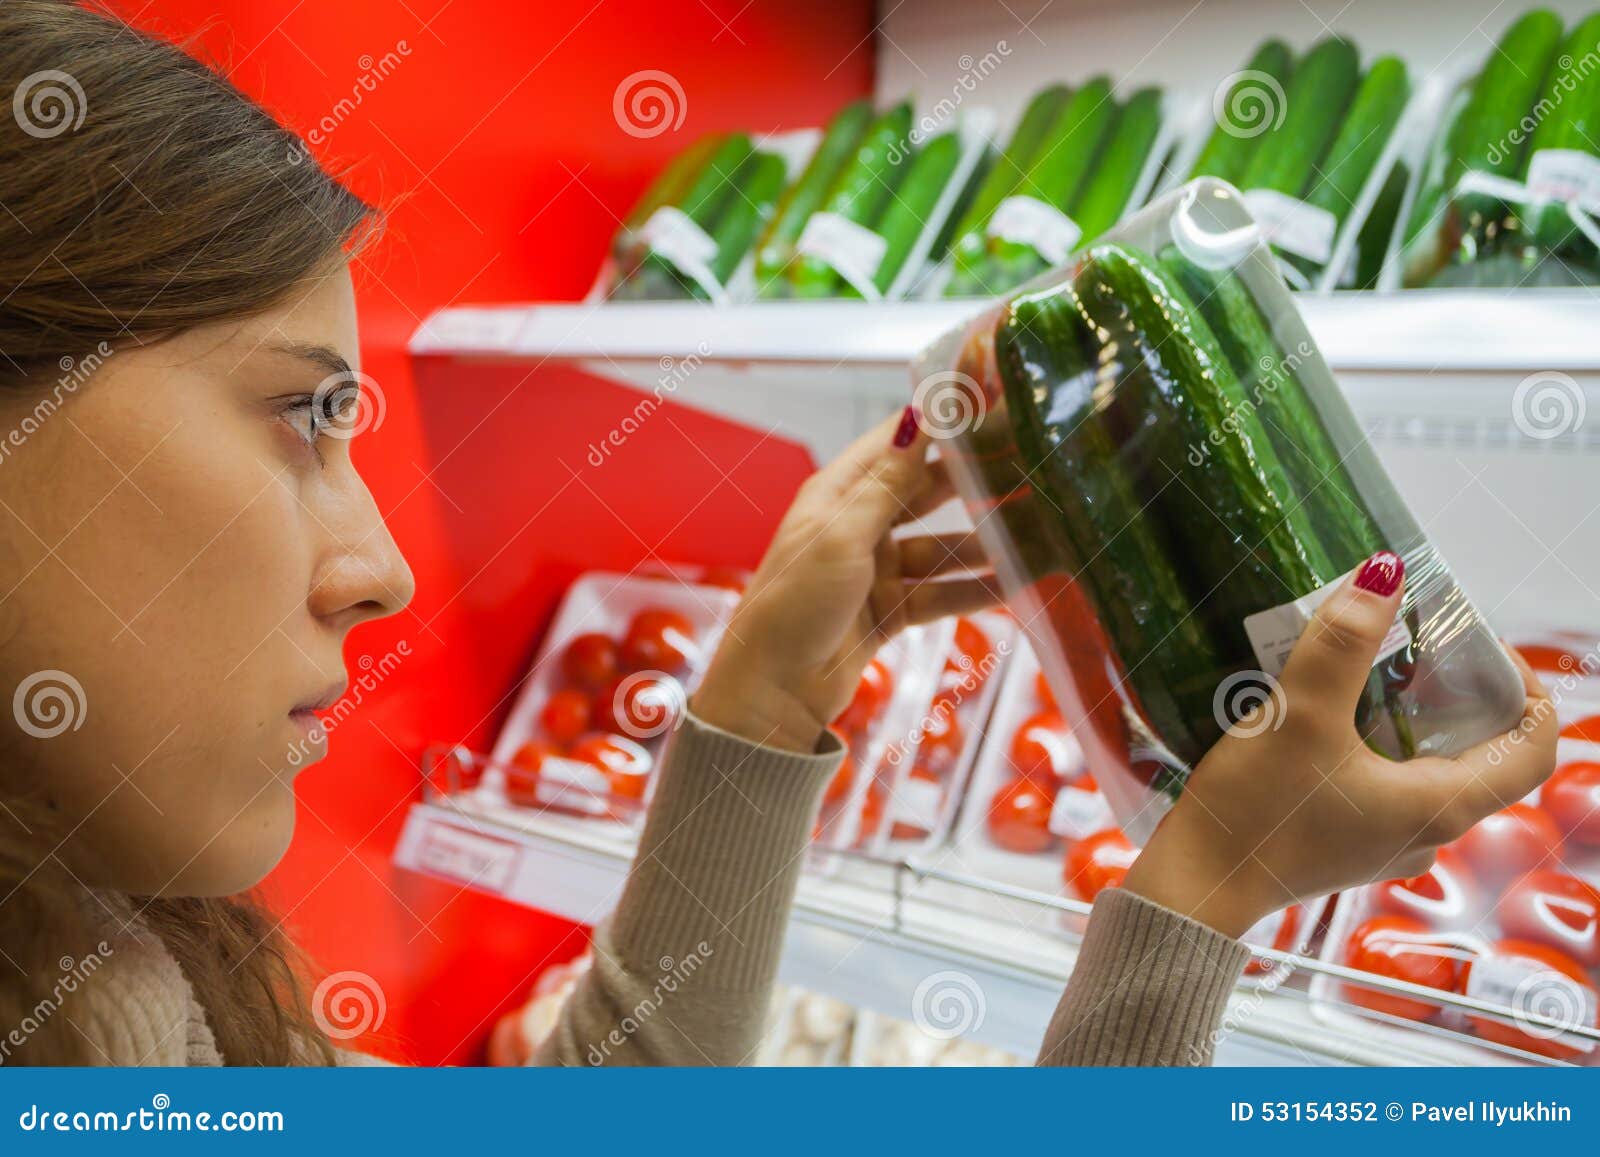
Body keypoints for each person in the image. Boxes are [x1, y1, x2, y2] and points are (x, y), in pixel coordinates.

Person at [0, 1, 1557, 1067]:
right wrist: (1205, 890)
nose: (383, 571)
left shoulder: (117, 966)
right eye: (299, 411)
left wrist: (755, 692)